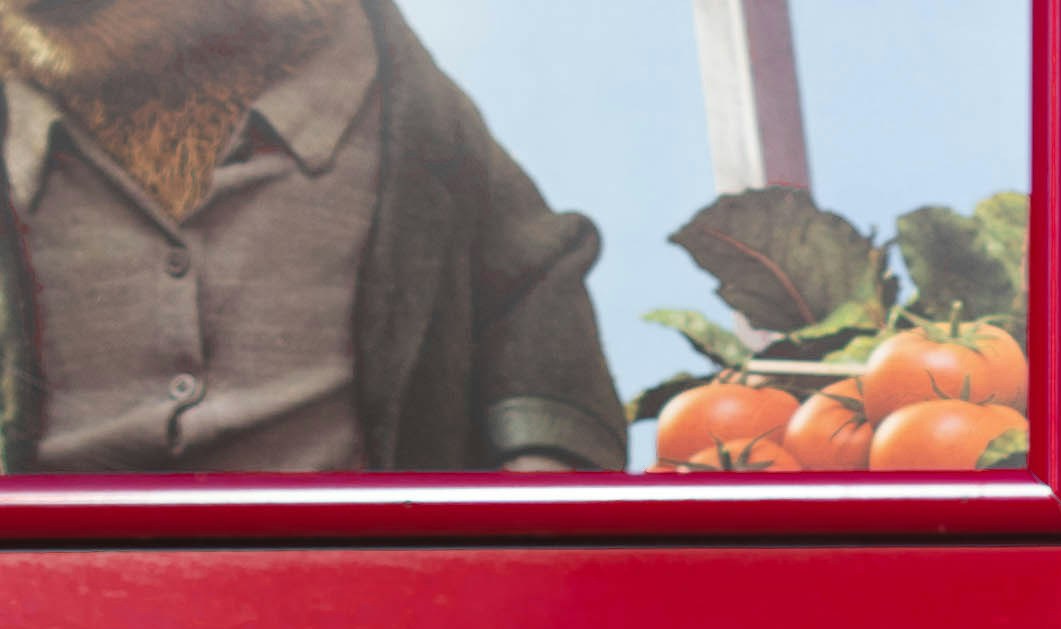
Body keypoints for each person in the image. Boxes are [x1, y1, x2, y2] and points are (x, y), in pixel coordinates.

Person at [0, 0, 619, 474]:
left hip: (363, 582)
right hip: (40, 592)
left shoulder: (397, 99)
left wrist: (539, 487)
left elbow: (531, 285)